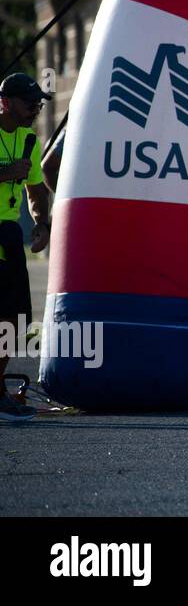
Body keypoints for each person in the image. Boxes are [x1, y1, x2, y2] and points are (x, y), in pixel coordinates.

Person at [0, 74, 52, 422]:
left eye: (39, 102)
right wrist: (6, 172)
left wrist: (41, 223)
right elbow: (15, 173)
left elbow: (36, 191)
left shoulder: (30, 139)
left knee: (16, 319)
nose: (35, 108)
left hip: (7, 234)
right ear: (6, 102)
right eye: (29, 102)